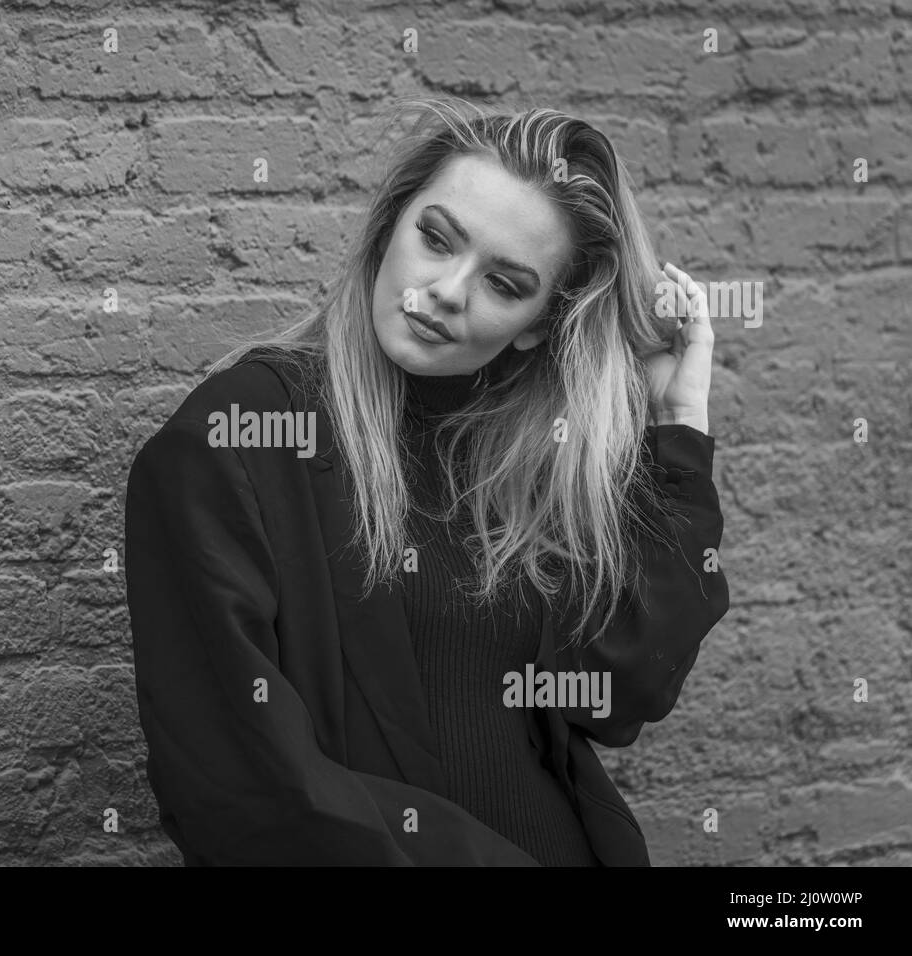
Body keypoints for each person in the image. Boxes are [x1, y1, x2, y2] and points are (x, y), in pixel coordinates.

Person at [123, 96, 729, 866]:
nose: (447, 290)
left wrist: (678, 426)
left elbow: (620, 696)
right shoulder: (239, 436)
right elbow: (240, 788)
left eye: (505, 284)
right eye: (436, 239)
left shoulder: (519, 458)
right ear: (390, 225)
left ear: (539, 323)